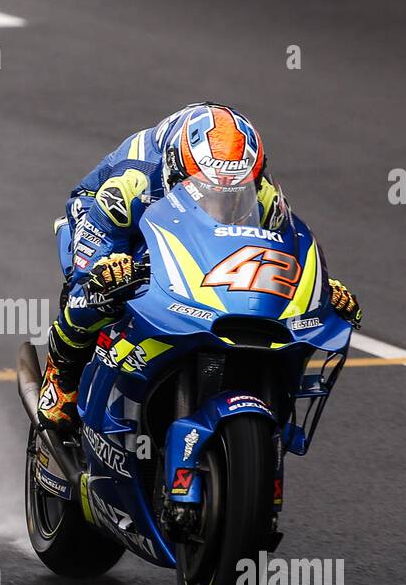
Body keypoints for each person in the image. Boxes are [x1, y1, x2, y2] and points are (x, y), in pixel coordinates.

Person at [38, 103, 362, 429]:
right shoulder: (132, 184)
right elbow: (90, 263)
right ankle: (61, 374)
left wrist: (318, 290)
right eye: (209, 194)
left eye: (233, 195)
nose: (221, 204)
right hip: (109, 218)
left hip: (184, 225)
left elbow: (282, 249)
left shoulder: (262, 195)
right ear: (176, 174)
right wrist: (108, 268)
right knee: (92, 294)